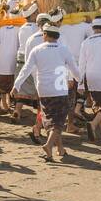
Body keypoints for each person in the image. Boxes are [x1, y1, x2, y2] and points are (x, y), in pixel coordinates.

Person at [13, 22, 79, 162]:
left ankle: (59, 149)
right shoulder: (63, 49)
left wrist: (17, 85)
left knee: (50, 119)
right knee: (59, 121)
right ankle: (48, 145)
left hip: (43, 89)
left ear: (45, 35)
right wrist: (81, 81)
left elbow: (26, 69)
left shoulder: (37, 49)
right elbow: (74, 68)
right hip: (59, 89)